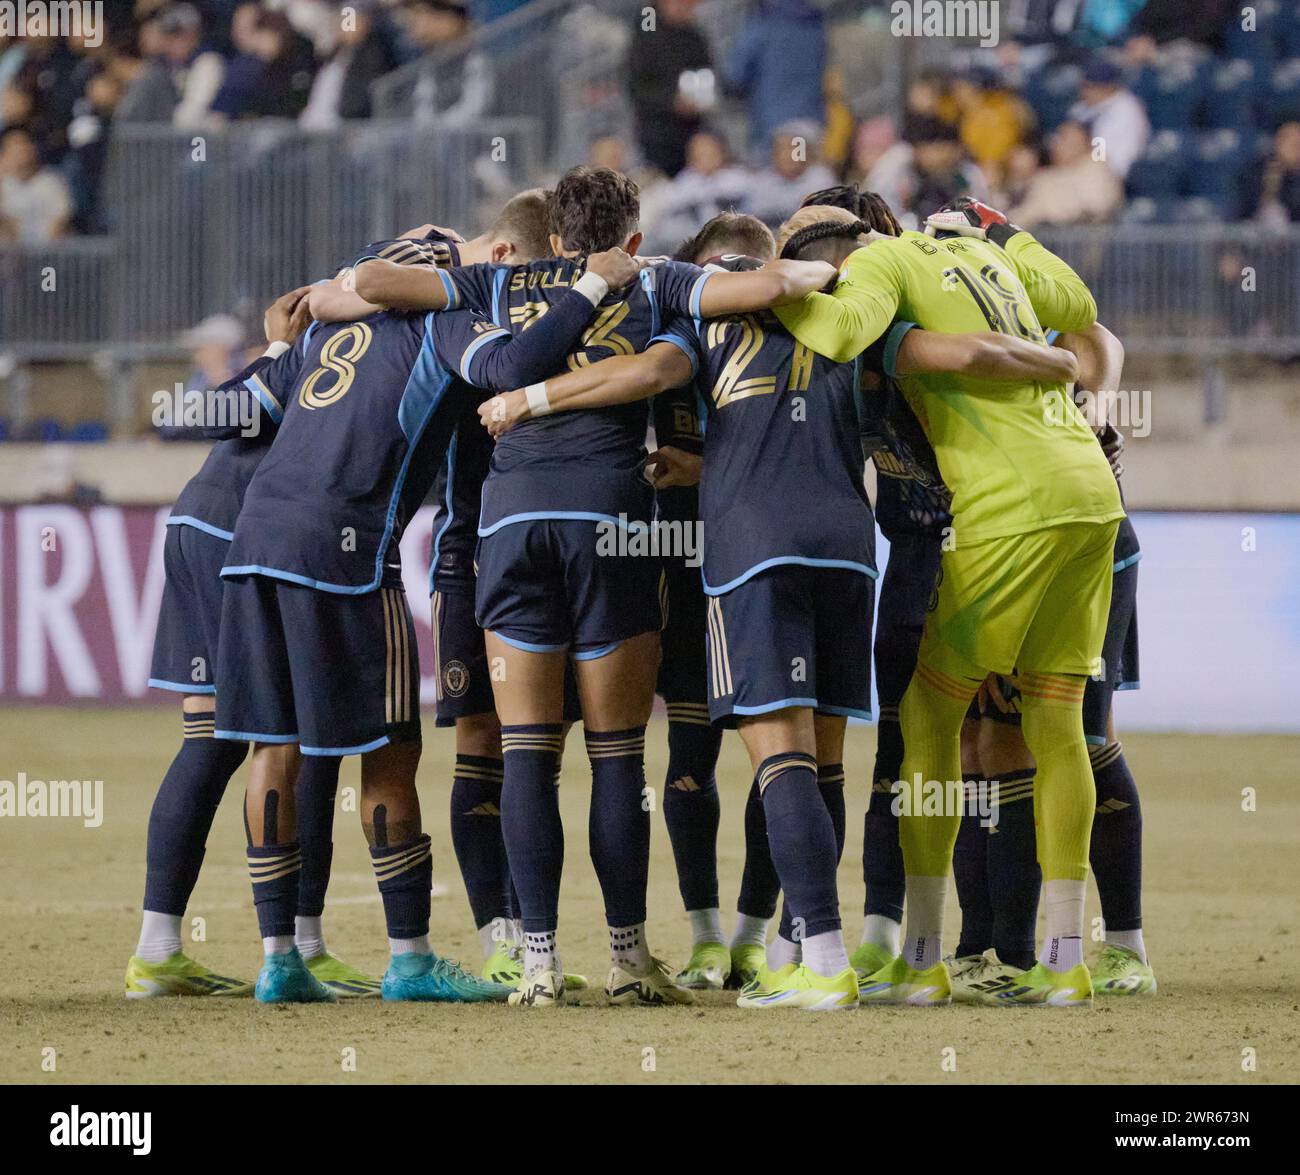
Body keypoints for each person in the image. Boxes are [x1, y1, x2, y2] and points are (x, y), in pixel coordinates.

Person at [476, 199, 1082, 1010]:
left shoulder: (692, 303)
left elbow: (654, 372)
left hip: (755, 546)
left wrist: (532, 401)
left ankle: (824, 960)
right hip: (847, 544)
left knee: (779, 754)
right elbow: (972, 349)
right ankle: (801, 947)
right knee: (827, 758)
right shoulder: (861, 313)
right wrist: (1061, 368)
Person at [352, 165, 837, 1008]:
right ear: (633, 236)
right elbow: (787, 280)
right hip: (613, 521)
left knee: (526, 756)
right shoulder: (657, 279)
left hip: (508, 527)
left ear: (554, 232)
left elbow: (367, 282)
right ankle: (626, 957)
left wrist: (471, 267)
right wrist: (817, 269)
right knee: (617, 757)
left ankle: (536, 962)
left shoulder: (492, 281)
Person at [214, 230, 640, 1003]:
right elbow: (512, 367)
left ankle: (279, 958)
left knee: (273, 749)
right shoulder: (440, 323)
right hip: (344, 551)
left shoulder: (331, 329)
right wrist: (588, 290)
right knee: (391, 747)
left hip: (254, 537)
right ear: (436, 276)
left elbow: (231, 414)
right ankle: (410, 957)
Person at [772, 194, 1120, 1007]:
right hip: (1091, 494)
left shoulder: (879, 263)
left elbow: (841, 329)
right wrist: (1008, 233)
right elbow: (1077, 305)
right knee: (1057, 716)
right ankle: (1068, 957)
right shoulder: (983, 255)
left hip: (1008, 508)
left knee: (929, 717)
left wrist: (777, 290)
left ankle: (920, 954)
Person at [125, 286, 313, 999]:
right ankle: (294, 949)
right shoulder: (323, 353)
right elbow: (205, 413)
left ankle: (158, 946)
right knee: (279, 738)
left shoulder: (321, 347)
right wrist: (276, 351)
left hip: (201, 519)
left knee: (210, 740)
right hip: (234, 536)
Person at [626, 0, 713, 177]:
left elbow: (705, 70)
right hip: (657, 132)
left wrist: (697, 98)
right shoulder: (647, 25)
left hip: (691, 128)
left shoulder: (692, 35)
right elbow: (637, 85)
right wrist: (671, 99)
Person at [1008, 120, 1123, 227]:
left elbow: (1097, 205)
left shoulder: (1097, 168)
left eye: (1065, 139)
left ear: (1086, 144)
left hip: (1086, 242)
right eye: (1058, 138)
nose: (1057, 143)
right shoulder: (1047, 175)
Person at [0, 126, 73, 242]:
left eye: (23, 145)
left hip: (47, 254)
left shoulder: (51, 182)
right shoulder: (3, 185)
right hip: (10, 256)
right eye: (13, 148)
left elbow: (59, 222)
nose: (20, 151)